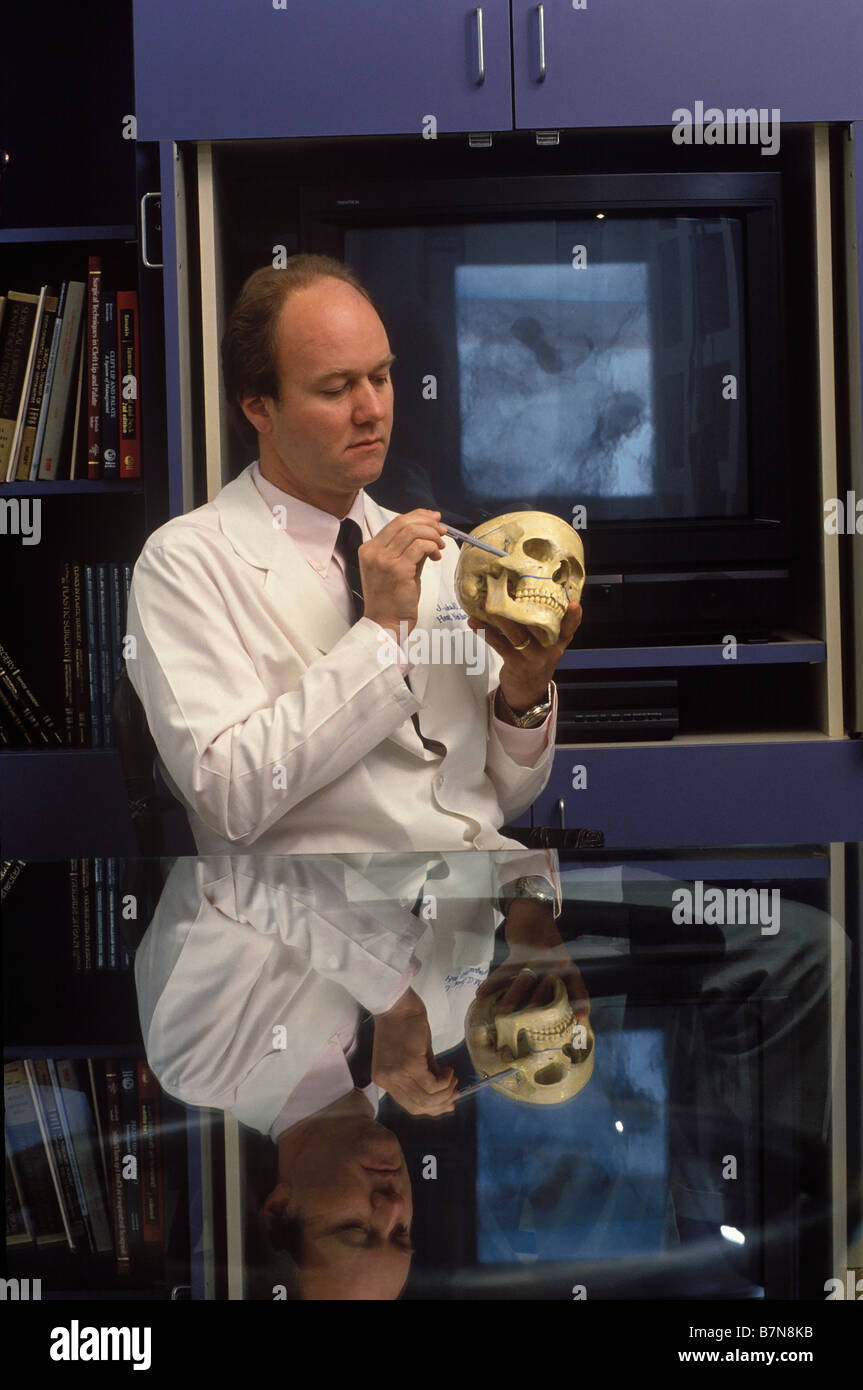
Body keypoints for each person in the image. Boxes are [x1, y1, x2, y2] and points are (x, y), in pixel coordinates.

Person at [125, 254, 582, 851]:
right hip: (301, 921)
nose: (372, 410)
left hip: (469, 913)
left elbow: (502, 794)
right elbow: (227, 796)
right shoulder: (184, 563)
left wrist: (523, 696)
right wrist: (380, 634)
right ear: (258, 406)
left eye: (382, 377)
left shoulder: (442, 553)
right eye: (337, 388)